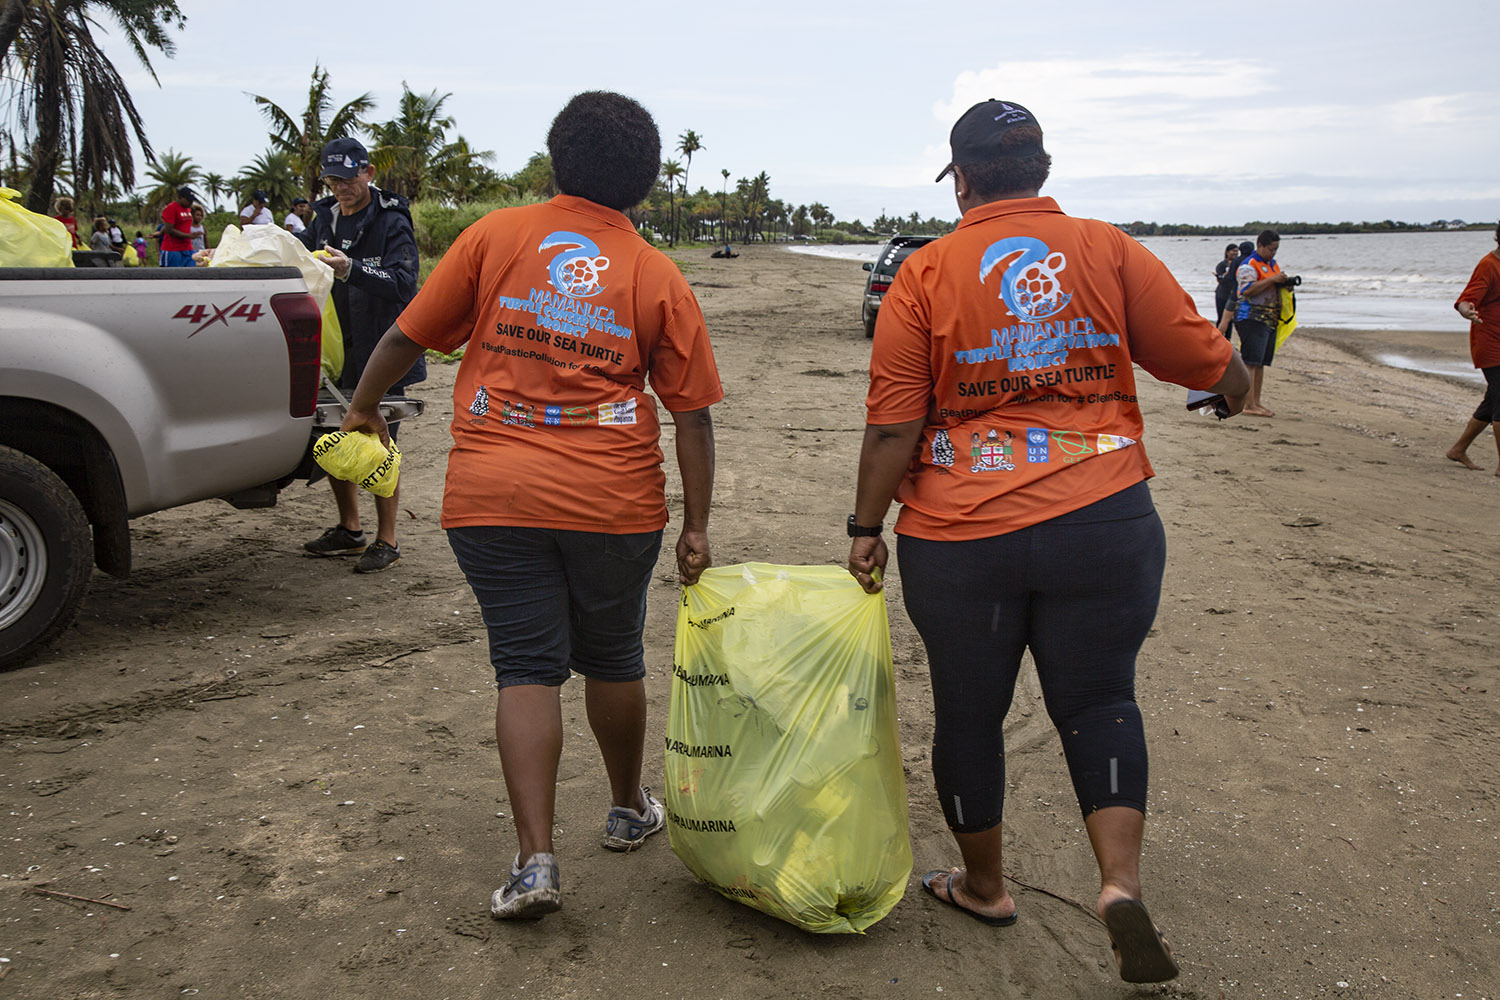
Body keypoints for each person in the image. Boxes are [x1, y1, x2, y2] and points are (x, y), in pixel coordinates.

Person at [846, 99, 1249, 984]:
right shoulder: (1108, 249)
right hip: (1103, 521)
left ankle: (984, 884)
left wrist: (866, 527)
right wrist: (1240, 375)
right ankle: (1118, 885)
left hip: (961, 539)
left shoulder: (923, 274)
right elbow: (1206, 364)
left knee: (969, 710)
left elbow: (892, 428)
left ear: (960, 181)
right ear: (1044, 168)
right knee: (1102, 698)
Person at [333, 91, 721, 921]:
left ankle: (536, 861)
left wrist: (362, 407)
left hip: (492, 496)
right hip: (614, 502)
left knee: (526, 665)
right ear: (644, 186)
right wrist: (695, 524)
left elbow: (406, 336)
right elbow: (692, 414)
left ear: (555, 162)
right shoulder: (656, 274)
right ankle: (626, 809)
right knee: (614, 654)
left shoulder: (495, 237)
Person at [295, 137, 423, 573]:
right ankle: (350, 528)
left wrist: (351, 268)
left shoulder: (391, 220)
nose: (341, 187)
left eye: (348, 178)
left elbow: (404, 283)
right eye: (333, 179)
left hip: (383, 349)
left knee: (380, 444)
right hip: (336, 350)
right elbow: (297, 255)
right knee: (336, 437)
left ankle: (388, 539)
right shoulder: (325, 218)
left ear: (367, 172)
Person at [1444, 220, 1500, 473]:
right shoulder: (1488, 265)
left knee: (1493, 400)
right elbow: (1467, 299)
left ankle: (1458, 449)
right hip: (1491, 341)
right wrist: (1466, 311)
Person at [1233, 229, 1292, 416]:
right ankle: (1248, 405)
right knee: (1250, 362)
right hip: (1251, 317)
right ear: (1260, 245)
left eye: (1276, 249)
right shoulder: (1248, 265)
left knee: (1260, 363)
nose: (1273, 253)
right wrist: (1272, 279)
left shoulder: (1272, 264)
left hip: (1269, 319)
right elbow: (1246, 290)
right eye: (1271, 249)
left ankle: (1255, 402)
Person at [158, 186, 197, 267]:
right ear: (180, 197)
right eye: (188, 200)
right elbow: (169, 230)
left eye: (192, 200)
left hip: (187, 248)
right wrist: (189, 236)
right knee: (173, 276)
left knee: (192, 272)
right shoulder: (171, 208)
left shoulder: (188, 209)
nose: (191, 203)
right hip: (172, 249)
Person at [1213, 242, 1241, 329]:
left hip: (1233, 294)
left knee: (1230, 319)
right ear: (1227, 252)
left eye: (1237, 251)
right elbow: (1220, 279)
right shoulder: (1222, 264)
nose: (1235, 253)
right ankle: (1218, 336)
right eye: (1233, 251)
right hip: (1222, 294)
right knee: (1221, 317)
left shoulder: (1238, 264)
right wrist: (1228, 273)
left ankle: (1228, 338)